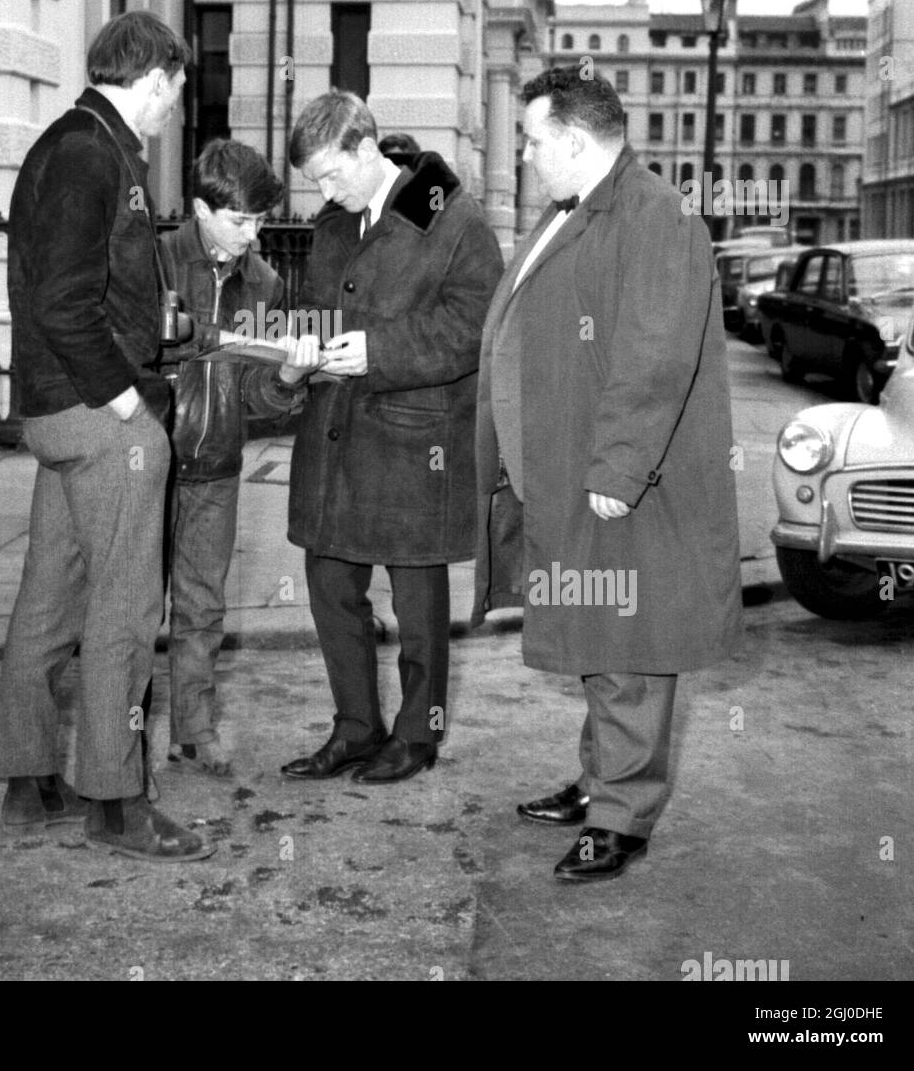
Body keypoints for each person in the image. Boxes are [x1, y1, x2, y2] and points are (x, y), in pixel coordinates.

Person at [473, 65, 742, 881]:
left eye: (531, 139)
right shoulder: (573, 212)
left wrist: (618, 470)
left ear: (576, 140)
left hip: (620, 481)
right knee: (596, 634)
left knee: (628, 643)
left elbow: (654, 356)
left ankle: (622, 816)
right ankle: (599, 783)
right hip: (566, 469)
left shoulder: (658, 216)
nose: (523, 154)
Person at [0, 9, 214, 863]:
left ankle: (28, 779)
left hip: (57, 413)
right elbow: (63, 303)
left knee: (49, 596)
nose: (173, 108)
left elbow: (71, 288)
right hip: (100, 416)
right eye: (175, 90)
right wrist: (127, 403)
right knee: (124, 611)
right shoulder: (94, 154)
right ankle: (115, 804)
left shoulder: (67, 142)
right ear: (154, 77)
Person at [281, 90, 504, 784]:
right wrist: (298, 350)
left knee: (417, 600)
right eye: (314, 180)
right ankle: (354, 728)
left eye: (330, 174)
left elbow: (474, 326)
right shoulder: (333, 223)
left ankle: (418, 733)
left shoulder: (450, 217)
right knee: (330, 583)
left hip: (414, 445)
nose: (323, 190)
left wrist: (379, 351)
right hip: (336, 440)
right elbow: (319, 313)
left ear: (365, 148)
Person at [160, 139, 317, 777]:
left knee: (201, 606)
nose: (252, 236)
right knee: (130, 604)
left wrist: (288, 378)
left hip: (216, 460)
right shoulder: (158, 260)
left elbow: (257, 393)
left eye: (258, 221)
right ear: (200, 207)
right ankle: (115, 743)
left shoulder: (265, 282)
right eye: (238, 221)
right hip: (145, 455)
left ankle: (192, 732)